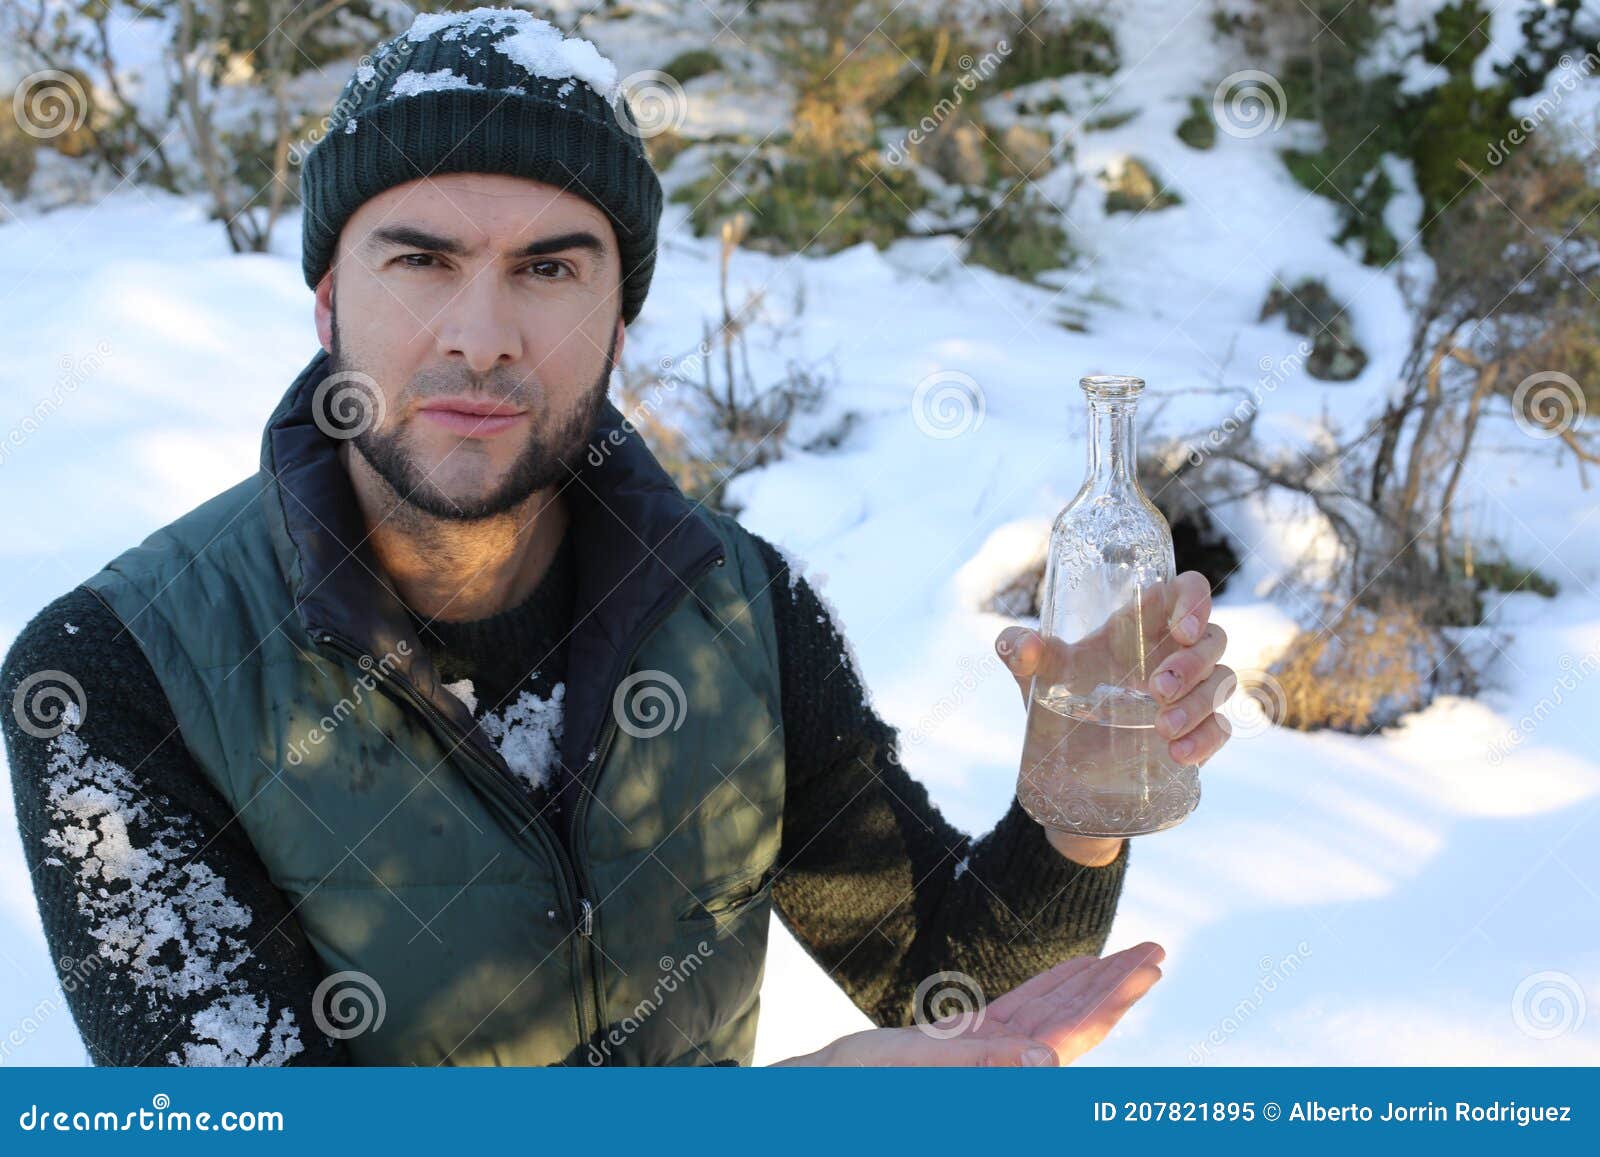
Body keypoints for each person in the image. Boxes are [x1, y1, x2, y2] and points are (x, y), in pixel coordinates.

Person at [0, 8, 1232, 1067]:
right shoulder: (118, 672)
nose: (480, 334)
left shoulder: (735, 604)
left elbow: (943, 988)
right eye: (421, 259)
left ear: (619, 319)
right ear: (327, 299)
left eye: (548, 268)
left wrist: (1072, 808)